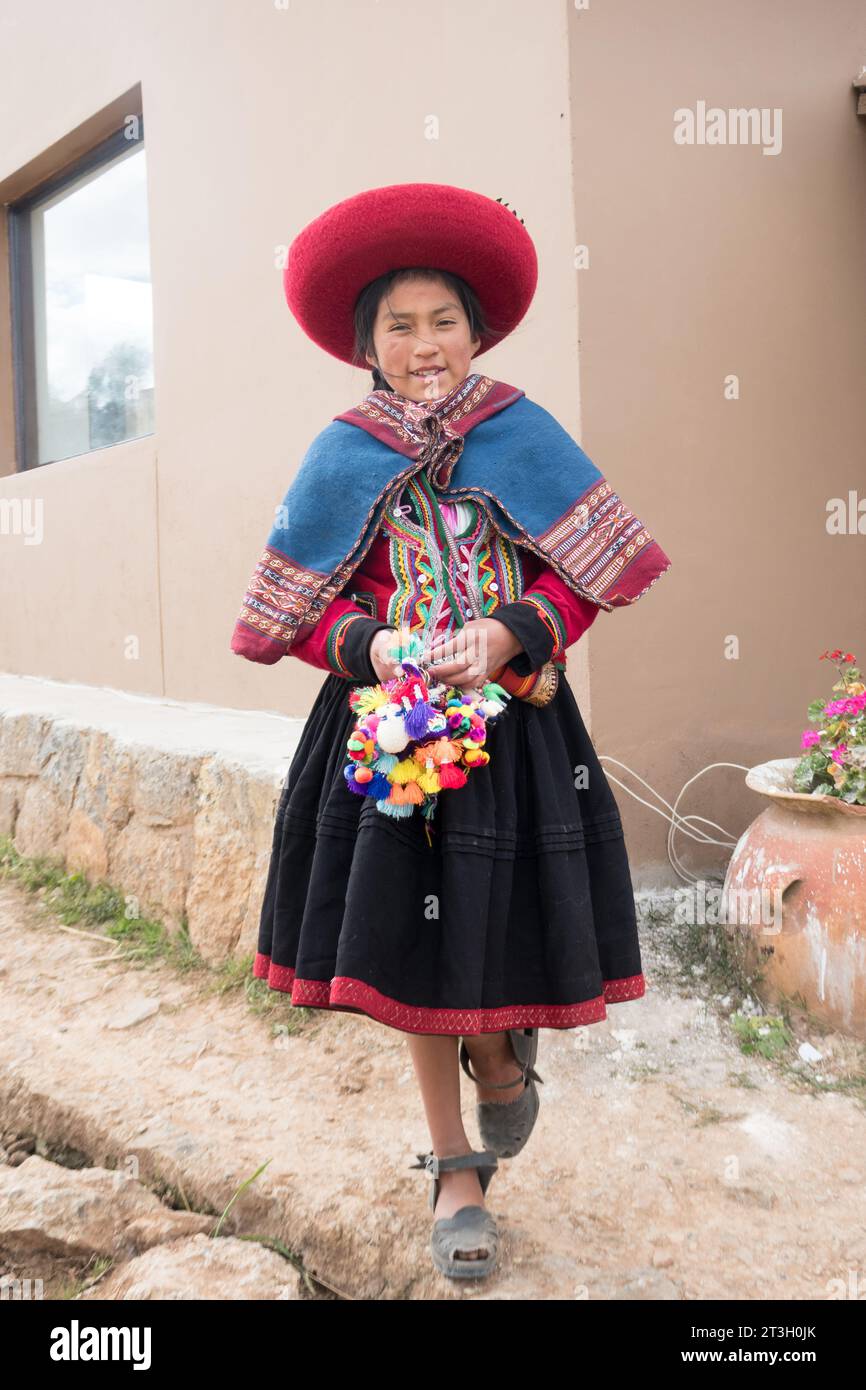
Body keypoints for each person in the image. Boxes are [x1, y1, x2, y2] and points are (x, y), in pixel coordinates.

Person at [230, 182, 672, 1281]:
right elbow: (302, 611)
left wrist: (516, 626)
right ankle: (454, 1166)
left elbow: (587, 579)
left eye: (441, 322)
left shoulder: (520, 433)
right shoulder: (341, 455)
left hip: (513, 734)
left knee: (484, 923)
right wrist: (371, 645)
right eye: (398, 325)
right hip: (387, 736)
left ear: (476, 332)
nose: (422, 345)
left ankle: (502, 1066)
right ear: (364, 346)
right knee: (411, 940)